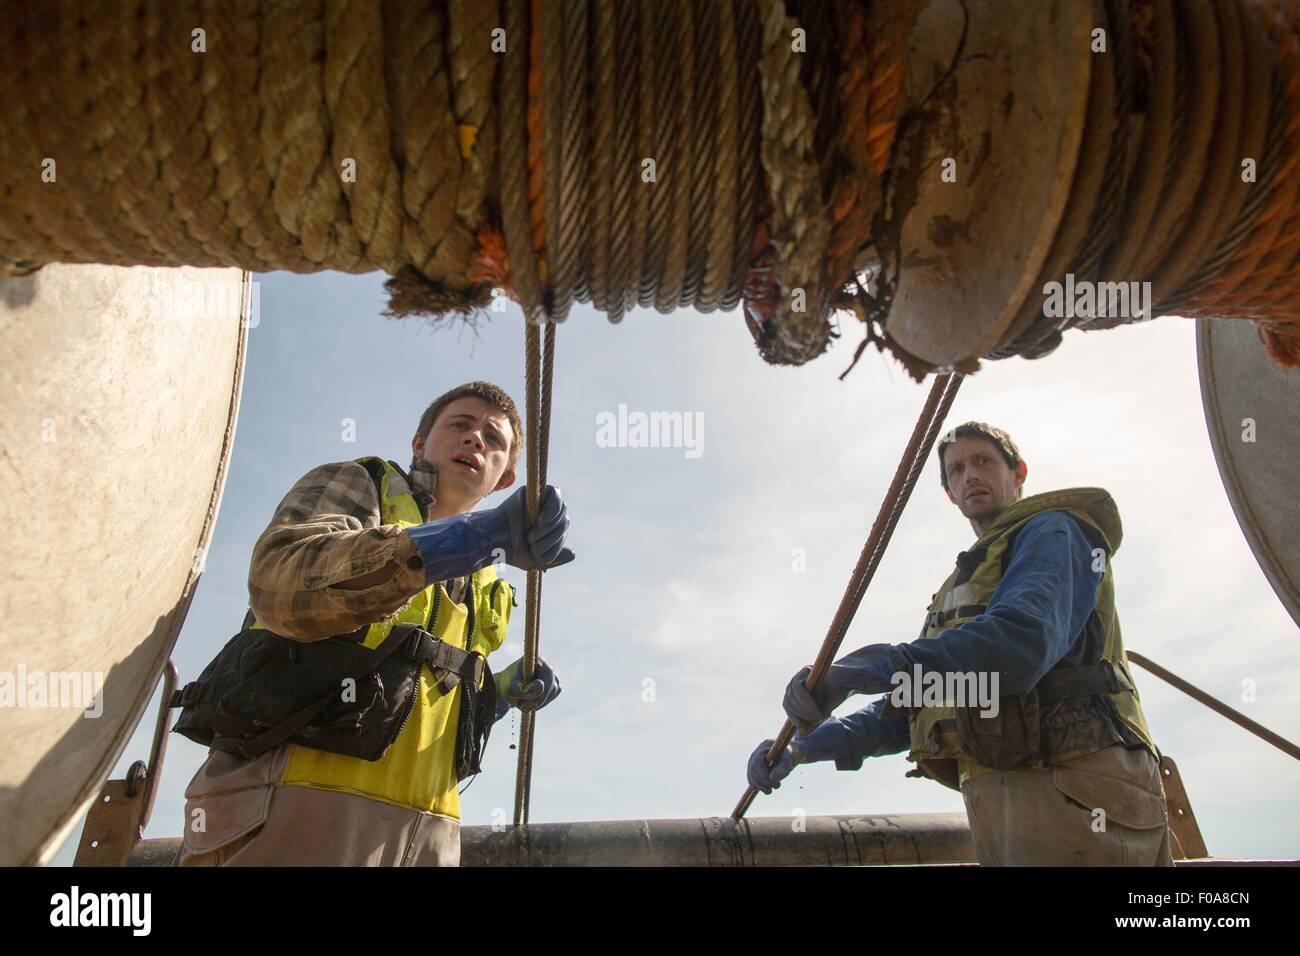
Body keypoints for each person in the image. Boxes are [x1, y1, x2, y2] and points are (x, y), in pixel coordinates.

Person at [177, 381, 570, 866]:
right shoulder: (361, 484)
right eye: (460, 425)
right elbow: (281, 583)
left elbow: (421, 699)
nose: (476, 440)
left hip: (425, 834)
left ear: (505, 477)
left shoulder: (490, 578)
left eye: (494, 438)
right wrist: (458, 541)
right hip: (288, 804)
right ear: (419, 444)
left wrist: (496, 696)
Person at [748, 421, 1175, 866]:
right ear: (949, 493)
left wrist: (869, 670)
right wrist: (805, 747)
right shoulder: (965, 580)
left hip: (1081, 790)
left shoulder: (1056, 532)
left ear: (1019, 473)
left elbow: (1020, 645)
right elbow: (922, 703)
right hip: (1009, 799)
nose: (969, 475)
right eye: (955, 471)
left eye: (983, 461)